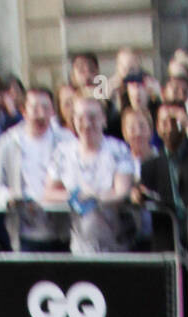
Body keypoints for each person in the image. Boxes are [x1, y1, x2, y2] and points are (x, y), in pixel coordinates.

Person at [44, 96, 135, 253]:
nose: (86, 124)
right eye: (80, 118)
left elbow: (121, 191)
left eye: (92, 117)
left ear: (103, 120)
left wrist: (94, 196)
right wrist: (74, 195)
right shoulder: (62, 152)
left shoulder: (118, 149)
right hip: (78, 243)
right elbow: (48, 192)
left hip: (114, 241)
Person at [0, 86, 74, 251]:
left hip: (62, 230)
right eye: (34, 108)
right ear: (24, 111)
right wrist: (9, 197)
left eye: (46, 108)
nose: (41, 114)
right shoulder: (8, 143)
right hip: (25, 231)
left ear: (53, 112)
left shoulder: (67, 140)